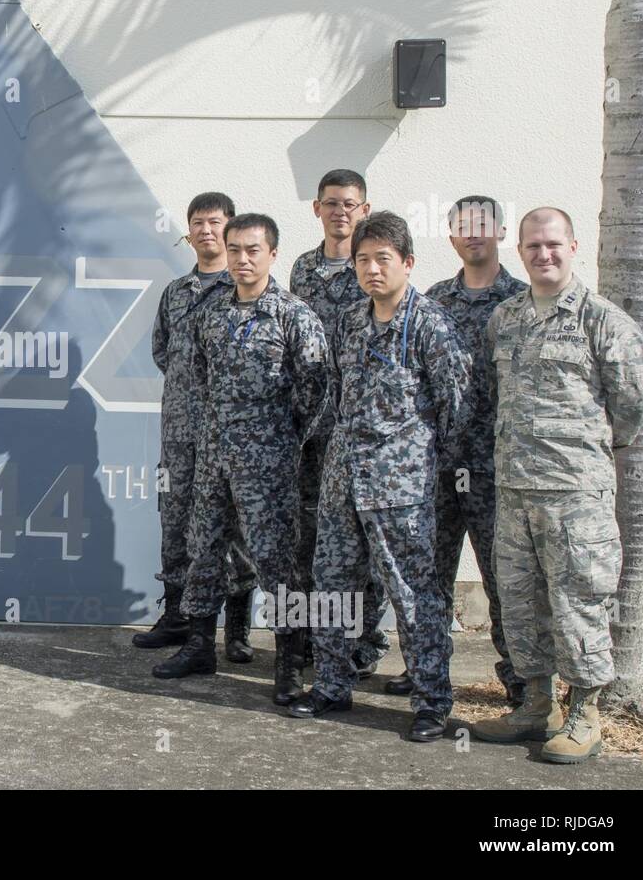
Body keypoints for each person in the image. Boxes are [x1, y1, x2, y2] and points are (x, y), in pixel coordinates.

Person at [472, 207, 643, 763]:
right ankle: (535, 706)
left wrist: (583, 458)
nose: (543, 254)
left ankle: (585, 715)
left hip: (577, 498)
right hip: (514, 494)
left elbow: (631, 408)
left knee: (580, 603)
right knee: (521, 605)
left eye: (553, 244)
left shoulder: (604, 321)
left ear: (573, 246)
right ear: (520, 251)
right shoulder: (505, 319)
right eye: (533, 246)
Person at [290, 211, 471, 744]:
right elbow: (336, 391)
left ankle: (432, 703)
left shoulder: (430, 324)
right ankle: (331, 683)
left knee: (413, 595)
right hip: (344, 480)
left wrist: (422, 462)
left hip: (401, 488)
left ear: (407, 263)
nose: (371, 269)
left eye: (382, 259)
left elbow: (456, 407)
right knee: (333, 583)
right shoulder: (348, 320)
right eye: (363, 259)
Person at [154, 214, 329, 707]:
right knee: (205, 553)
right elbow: (202, 377)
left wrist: (276, 440)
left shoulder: (294, 316)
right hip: (214, 459)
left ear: (272, 254)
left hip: (269, 468)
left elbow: (315, 392)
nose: (242, 259)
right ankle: (198, 645)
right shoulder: (212, 314)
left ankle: (290, 664)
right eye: (235, 250)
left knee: (278, 566)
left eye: (253, 250)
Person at [382, 197, 526, 702]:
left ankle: (519, 680)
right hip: (436, 468)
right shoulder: (432, 301)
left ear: (501, 232)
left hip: (494, 466)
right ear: (450, 238)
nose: (473, 236)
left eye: (483, 227)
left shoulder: (521, 304)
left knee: (503, 580)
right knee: (428, 577)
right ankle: (425, 670)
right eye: (462, 228)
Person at [139, 192, 258, 660]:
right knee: (176, 525)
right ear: (188, 232)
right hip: (180, 435)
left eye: (215, 222)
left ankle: (238, 630)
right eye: (198, 223)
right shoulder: (176, 292)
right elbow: (163, 351)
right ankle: (176, 617)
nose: (206, 231)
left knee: (236, 532)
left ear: (229, 231)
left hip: (231, 437)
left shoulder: (244, 289)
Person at [289, 169, 389, 676]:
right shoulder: (302, 270)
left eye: (350, 204)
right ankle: (315, 636)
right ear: (317, 208)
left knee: (367, 540)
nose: (340, 212)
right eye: (331, 203)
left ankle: (364, 641)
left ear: (364, 210)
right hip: (311, 429)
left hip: (360, 430)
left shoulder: (374, 266)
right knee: (313, 539)